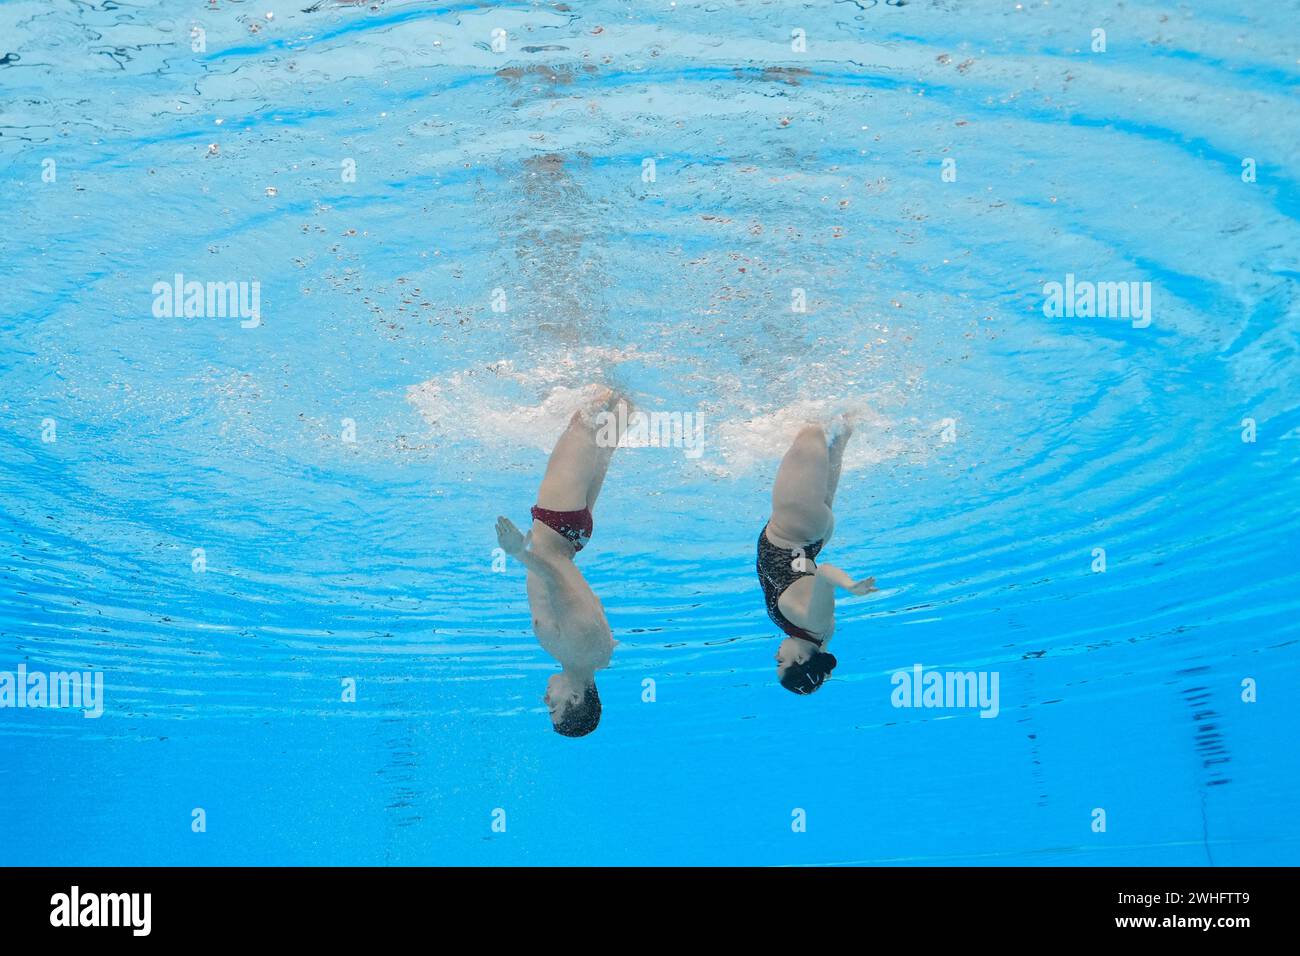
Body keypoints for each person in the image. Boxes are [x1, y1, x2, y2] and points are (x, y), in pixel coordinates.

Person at [495, 387, 630, 736]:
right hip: (556, 525)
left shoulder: (601, 656)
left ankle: (631, 383)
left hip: (574, 535)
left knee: (612, 426)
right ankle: (613, 358)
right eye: (553, 706)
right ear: (574, 699)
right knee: (586, 419)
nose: (545, 699)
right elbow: (557, 581)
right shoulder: (566, 647)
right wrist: (517, 552)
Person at [757, 418, 877, 694]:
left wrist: (818, 673)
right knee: (810, 426)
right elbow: (823, 573)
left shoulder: (819, 637)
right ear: (799, 659)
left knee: (838, 434)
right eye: (780, 663)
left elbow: (821, 663)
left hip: (810, 534)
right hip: (794, 526)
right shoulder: (815, 624)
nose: (776, 657)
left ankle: (854, 413)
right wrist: (849, 586)